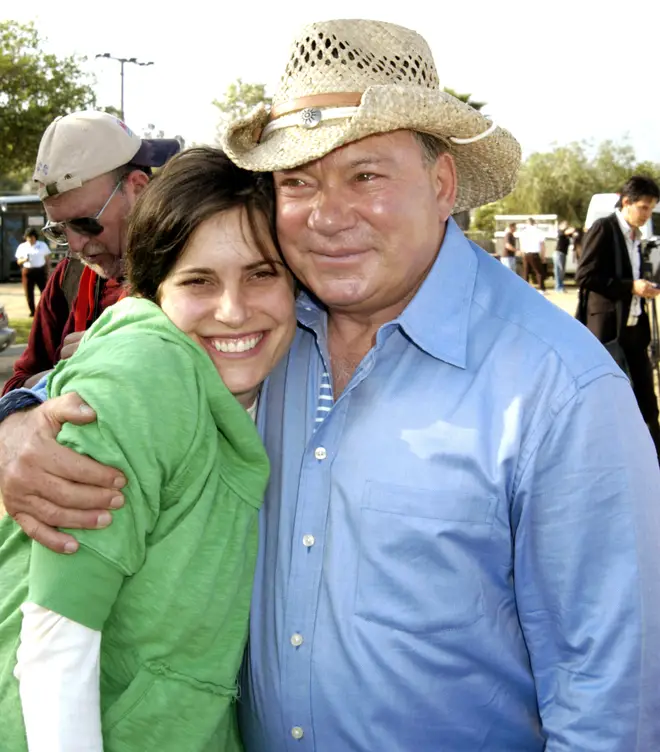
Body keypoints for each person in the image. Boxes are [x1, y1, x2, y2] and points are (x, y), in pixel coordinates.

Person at [1, 18, 660, 752]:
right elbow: (119, 368)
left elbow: (609, 704)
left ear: (442, 184)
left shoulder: (561, 393)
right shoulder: (261, 331)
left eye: (366, 175)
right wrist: (18, 421)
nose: (328, 215)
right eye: (298, 181)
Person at [0, 147, 297, 751]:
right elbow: (56, 646)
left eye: (263, 273)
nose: (234, 310)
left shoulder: (277, 370)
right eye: (198, 281)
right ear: (153, 291)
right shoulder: (148, 369)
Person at [1, 110, 180, 395]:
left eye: (85, 222)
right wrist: (71, 374)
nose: (74, 245)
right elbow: (17, 384)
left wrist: (136, 358)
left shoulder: (192, 277)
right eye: (59, 229)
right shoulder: (68, 278)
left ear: (137, 188)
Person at [576, 175, 660, 460]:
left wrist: (644, 286)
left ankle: (651, 457)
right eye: (644, 208)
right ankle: (607, 456)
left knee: (647, 398)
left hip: (635, 326)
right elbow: (586, 275)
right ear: (626, 202)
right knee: (608, 396)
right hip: (609, 328)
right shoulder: (604, 228)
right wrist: (630, 286)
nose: (647, 214)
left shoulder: (637, 237)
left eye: (651, 208)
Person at [14, 229, 51, 317]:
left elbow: (47, 259)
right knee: (29, 292)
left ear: (35, 237)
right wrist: (24, 260)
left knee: (44, 291)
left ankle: (43, 310)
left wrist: (48, 270)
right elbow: (18, 261)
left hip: (40, 271)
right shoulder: (22, 247)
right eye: (29, 238)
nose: (31, 239)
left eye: (32, 237)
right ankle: (32, 311)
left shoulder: (42, 245)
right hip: (28, 271)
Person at [519, 217, 546, 292]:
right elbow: (542, 244)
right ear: (534, 223)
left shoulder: (523, 232)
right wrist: (543, 256)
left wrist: (522, 253)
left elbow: (521, 244)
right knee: (539, 272)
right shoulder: (538, 231)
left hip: (526, 253)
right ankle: (542, 288)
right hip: (534, 253)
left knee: (526, 272)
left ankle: (524, 289)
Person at [553, 220, 572, 292]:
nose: (566, 226)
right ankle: (558, 287)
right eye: (565, 225)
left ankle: (561, 286)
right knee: (558, 271)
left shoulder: (566, 235)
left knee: (561, 271)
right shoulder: (560, 232)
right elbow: (567, 232)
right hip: (558, 253)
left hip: (563, 254)